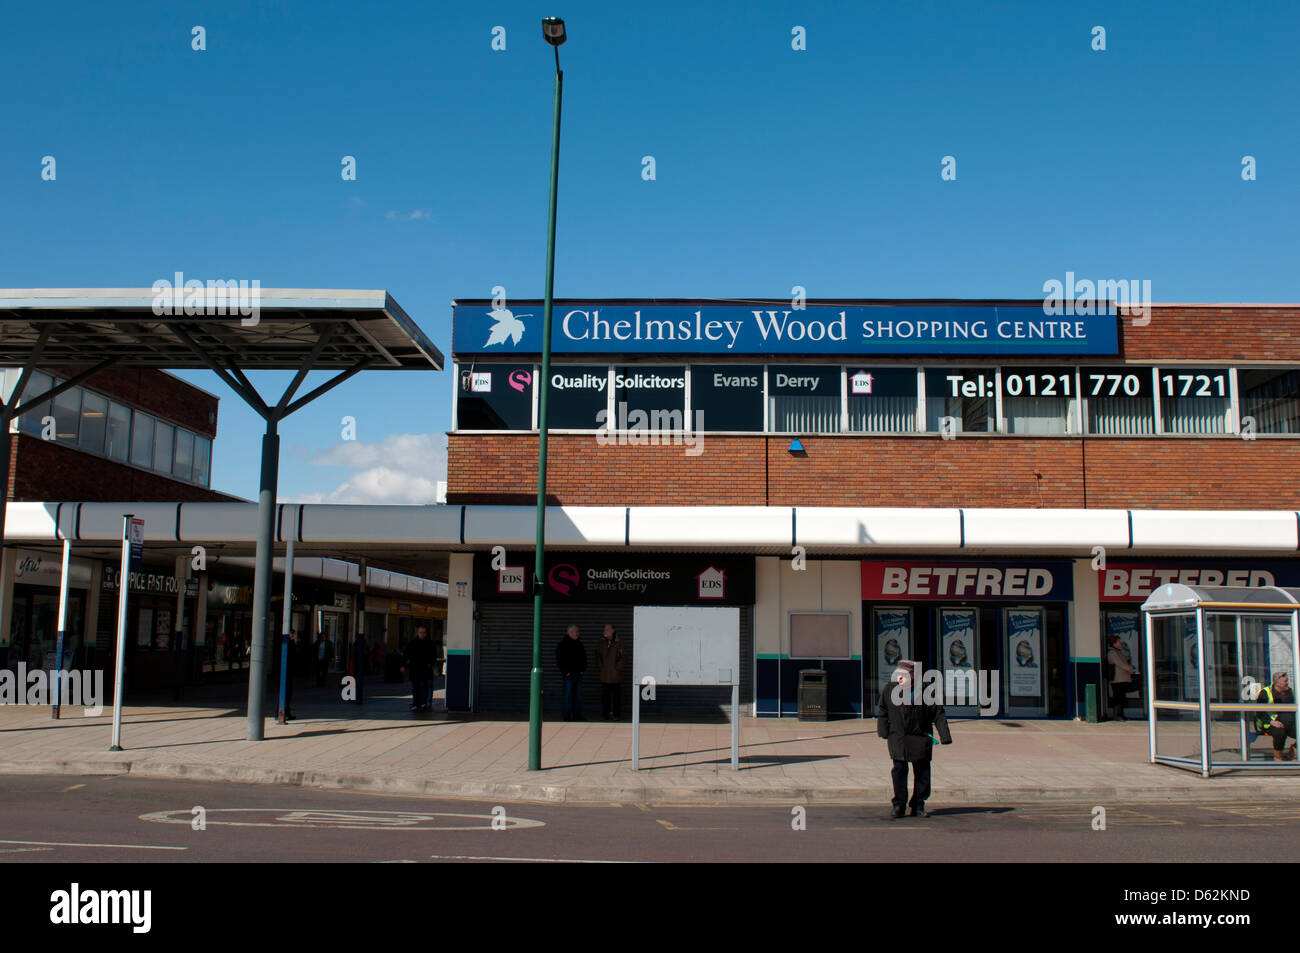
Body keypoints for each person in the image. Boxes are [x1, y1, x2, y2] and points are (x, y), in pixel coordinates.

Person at [876, 661, 952, 818]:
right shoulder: (890, 689)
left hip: (920, 737)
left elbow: (938, 713)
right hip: (899, 737)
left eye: (904, 675)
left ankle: (918, 804)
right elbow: (883, 709)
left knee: (922, 773)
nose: (900, 678)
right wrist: (883, 731)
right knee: (899, 771)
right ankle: (899, 805)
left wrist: (944, 736)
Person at [1255, 671, 1297, 762]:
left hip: (1289, 722)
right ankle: (1278, 756)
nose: (1287, 683)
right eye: (1285, 681)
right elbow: (1259, 712)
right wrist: (1272, 721)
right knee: (1280, 732)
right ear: (1277, 683)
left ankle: (1294, 749)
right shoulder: (1265, 692)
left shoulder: (1290, 692)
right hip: (1269, 723)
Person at [555, 625, 587, 721]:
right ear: (570, 633)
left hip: (578, 674)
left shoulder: (579, 644)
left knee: (577, 696)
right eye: (576, 632)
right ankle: (567, 715)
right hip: (568, 675)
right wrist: (565, 672)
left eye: (578, 632)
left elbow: (584, 658)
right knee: (567, 695)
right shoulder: (563, 644)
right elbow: (560, 659)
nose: (578, 633)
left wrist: (582, 669)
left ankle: (577, 715)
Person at [595, 624, 625, 721]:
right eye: (604, 629)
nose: (605, 631)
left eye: (607, 629)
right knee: (605, 696)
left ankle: (616, 715)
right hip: (605, 674)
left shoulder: (619, 642)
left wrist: (618, 668)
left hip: (615, 674)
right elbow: (597, 656)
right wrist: (601, 667)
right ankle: (605, 714)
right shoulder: (601, 642)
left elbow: (623, 657)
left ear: (613, 630)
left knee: (616, 697)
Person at [402, 625, 436, 712]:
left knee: (423, 686)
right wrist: (403, 665)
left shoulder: (430, 644)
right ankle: (416, 703)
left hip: (425, 670)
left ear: (426, 633)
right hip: (415, 669)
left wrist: (430, 664)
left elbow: (434, 656)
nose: (422, 634)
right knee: (415, 687)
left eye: (423, 632)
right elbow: (406, 654)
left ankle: (423, 703)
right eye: (420, 632)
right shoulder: (413, 643)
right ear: (418, 633)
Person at [1107, 635, 1138, 721]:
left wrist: (1124, 648)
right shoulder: (1112, 653)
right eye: (1119, 642)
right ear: (1114, 643)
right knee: (1118, 697)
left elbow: (1127, 657)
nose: (1121, 643)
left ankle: (1121, 714)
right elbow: (1120, 663)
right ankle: (1117, 714)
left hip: (1123, 678)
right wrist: (1129, 669)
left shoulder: (1119, 651)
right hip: (1117, 679)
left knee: (1122, 697)